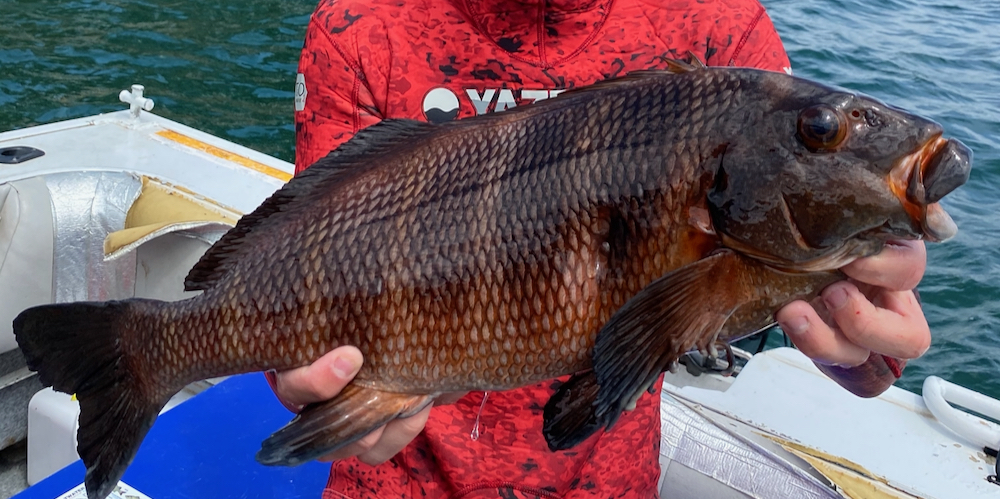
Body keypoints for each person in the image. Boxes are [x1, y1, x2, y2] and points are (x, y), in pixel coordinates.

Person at [274, 0, 931, 496]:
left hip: (608, 476)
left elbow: (868, 367)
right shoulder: (359, 27)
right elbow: (312, 263)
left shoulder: (713, 25)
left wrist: (858, 337)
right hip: (392, 477)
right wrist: (296, 374)